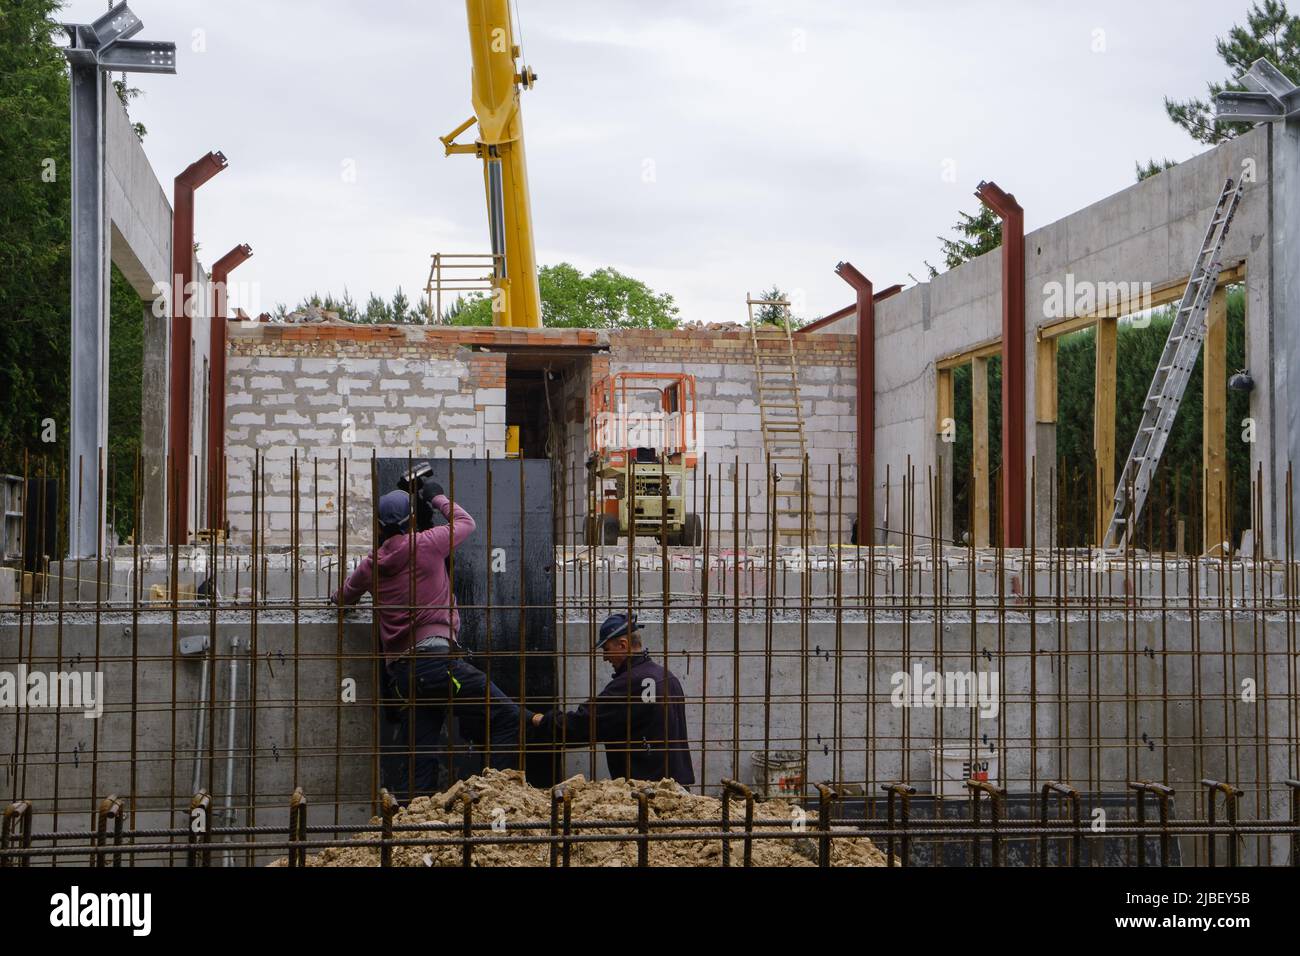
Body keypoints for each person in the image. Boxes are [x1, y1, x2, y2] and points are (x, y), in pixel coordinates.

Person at [332, 484, 530, 795]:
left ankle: (415, 824)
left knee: (420, 754)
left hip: (406, 677)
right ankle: (494, 796)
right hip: (439, 665)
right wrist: (437, 496)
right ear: (411, 521)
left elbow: (343, 596)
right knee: (507, 716)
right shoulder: (426, 544)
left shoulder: (370, 566)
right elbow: (466, 523)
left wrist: (341, 596)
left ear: (378, 527)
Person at [531, 613, 694, 784]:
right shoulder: (666, 676)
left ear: (623, 645)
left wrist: (543, 721)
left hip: (648, 791)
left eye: (607, 650)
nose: (604, 657)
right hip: (676, 785)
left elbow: (586, 722)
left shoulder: (632, 683)